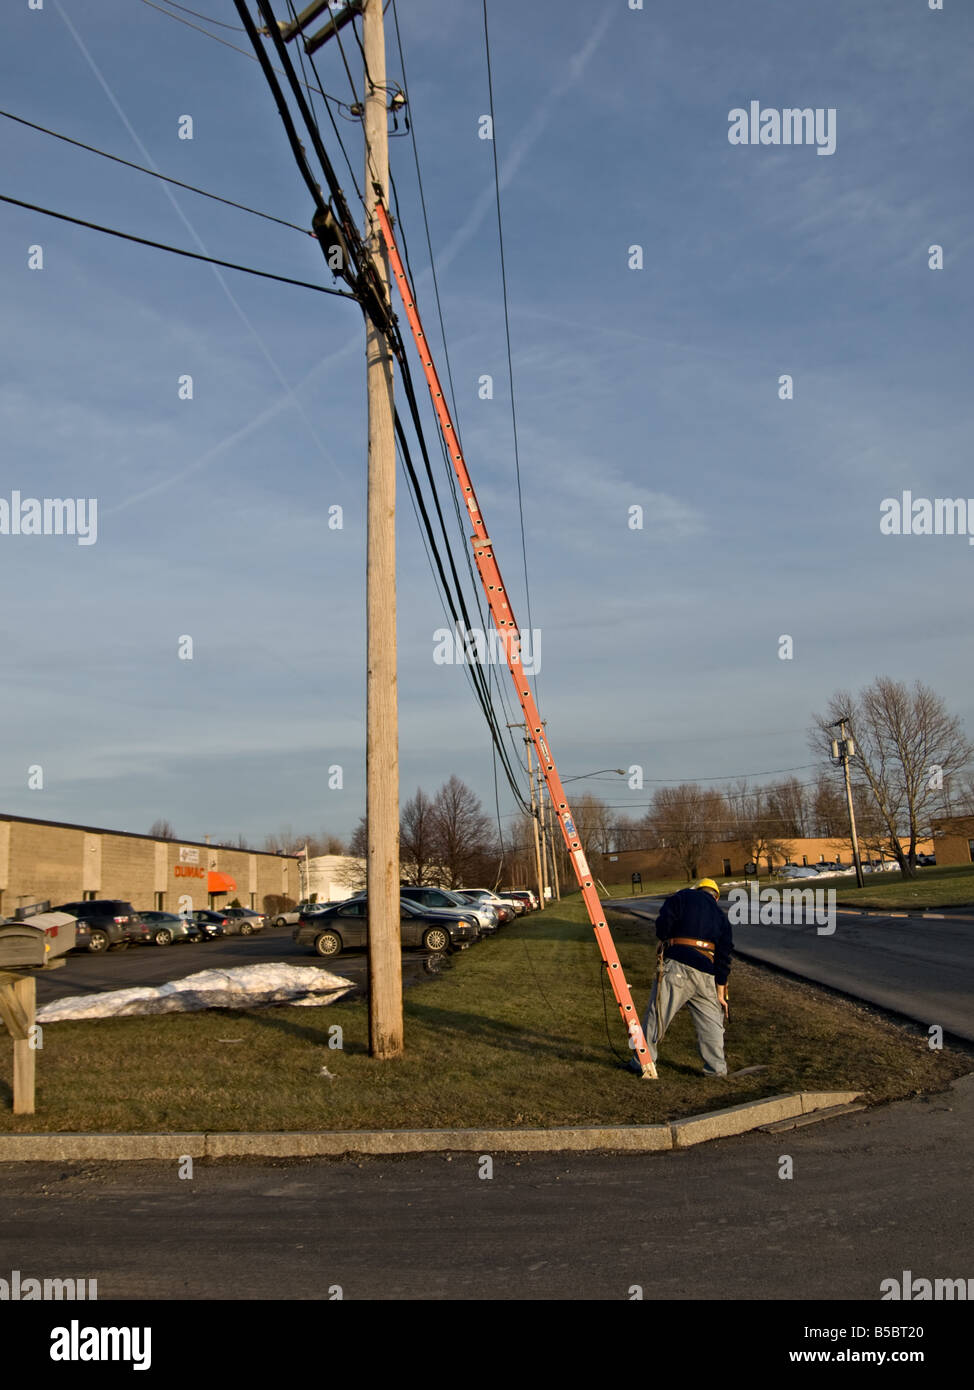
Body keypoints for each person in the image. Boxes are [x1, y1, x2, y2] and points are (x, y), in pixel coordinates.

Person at [639, 878, 733, 1076]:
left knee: (658, 1015)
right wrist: (720, 992)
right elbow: (724, 958)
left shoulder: (682, 896)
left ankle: (644, 1061)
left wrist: (668, 938)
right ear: (715, 896)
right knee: (711, 1024)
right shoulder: (721, 916)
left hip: (677, 967)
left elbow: (663, 925)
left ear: (698, 889)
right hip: (707, 973)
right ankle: (716, 1069)